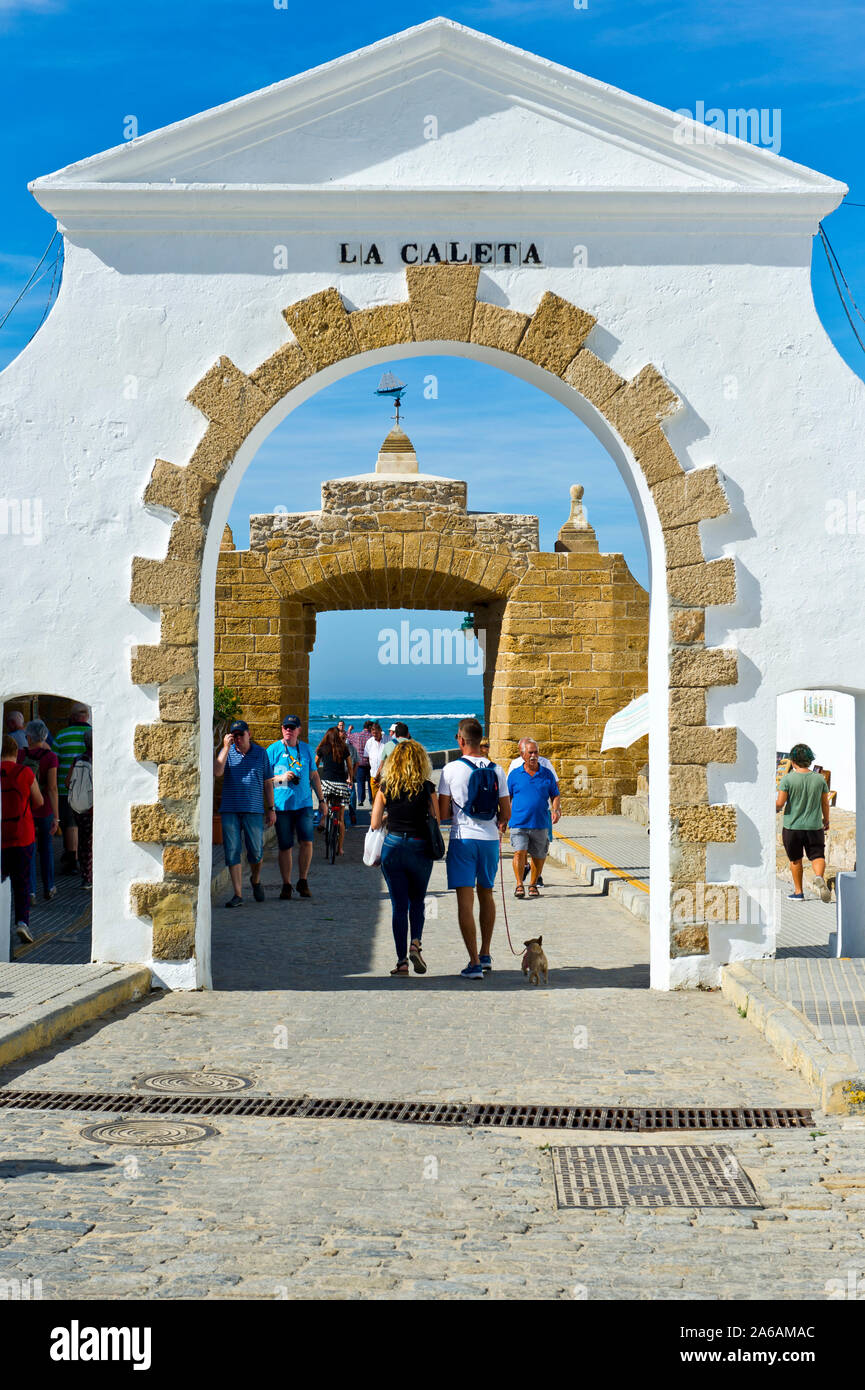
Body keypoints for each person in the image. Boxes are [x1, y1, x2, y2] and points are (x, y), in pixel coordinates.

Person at [438, 716, 510, 980]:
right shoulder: (497, 769)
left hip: (463, 838)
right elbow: (506, 812)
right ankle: (487, 952)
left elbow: (443, 813)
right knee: (487, 894)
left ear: (461, 740)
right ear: (480, 741)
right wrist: (498, 822)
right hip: (490, 841)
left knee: (465, 901)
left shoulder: (450, 770)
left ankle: (473, 962)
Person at [370, 739, 439, 977]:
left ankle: (401, 963)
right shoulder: (428, 787)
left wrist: (392, 817)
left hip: (394, 845)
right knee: (418, 901)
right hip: (420, 846)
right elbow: (436, 820)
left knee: (398, 906)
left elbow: (375, 823)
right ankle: (416, 943)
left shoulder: (386, 787)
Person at [214, 720, 275, 908]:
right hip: (230, 809)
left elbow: (268, 782)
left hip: (254, 809)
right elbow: (217, 771)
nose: (238, 738)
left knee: (256, 852)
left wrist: (271, 809)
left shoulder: (260, 753)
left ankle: (255, 880)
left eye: (241, 735)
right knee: (232, 851)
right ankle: (238, 894)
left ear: (249, 734)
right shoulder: (227, 753)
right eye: (235, 735)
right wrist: (225, 748)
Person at [266, 715, 323, 898]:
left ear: (299, 730)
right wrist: (282, 779)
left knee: (307, 842)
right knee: (285, 845)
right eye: (285, 727)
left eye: (292, 727)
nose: (288, 730)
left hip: (304, 804)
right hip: (282, 807)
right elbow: (265, 780)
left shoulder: (305, 749)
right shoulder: (273, 750)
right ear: (282, 729)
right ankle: (286, 884)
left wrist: (322, 801)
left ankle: (303, 880)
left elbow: (314, 776)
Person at [777, 742, 832, 902]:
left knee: (795, 859)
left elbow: (780, 803)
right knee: (817, 855)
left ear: (793, 760)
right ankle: (818, 877)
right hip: (814, 826)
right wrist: (826, 820)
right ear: (809, 760)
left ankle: (798, 892)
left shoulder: (787, 779)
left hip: (792, 826)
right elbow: (825, 803)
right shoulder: (819, 779)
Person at [1, 733, 43, 943]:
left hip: (1, 835)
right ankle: (22, 923)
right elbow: (39, 801)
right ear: (15, 752)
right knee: (22, 882)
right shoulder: (24, 772)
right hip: (22, 834)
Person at [507, 739, 561, 898]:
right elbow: (506, 796)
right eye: (530, 753)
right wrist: (504, 817)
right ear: (522, 754)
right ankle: (519, 885)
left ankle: (532, 885)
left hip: (540, 821)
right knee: (519, 852)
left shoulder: (546, 773)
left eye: (536, 752)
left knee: (539, 856)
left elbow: (555, 794)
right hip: (519, 822)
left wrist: (556, 810)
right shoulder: (515, 774)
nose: (533, 756)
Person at [18, 719, 59, 901]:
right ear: (44, 736)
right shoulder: (51, 758)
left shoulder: (20, 755)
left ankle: (31, 890)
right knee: (47, 848)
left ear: (28, 736)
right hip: (44, 808)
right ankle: (49, 886)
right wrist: (56, 817)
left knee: (29, 850)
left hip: (26, 807)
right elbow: (52, 788)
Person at [54, 704, 91, 875]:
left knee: (70, 824)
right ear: (87, 717)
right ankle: (89, 859)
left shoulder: (62, 735)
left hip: (66, 787)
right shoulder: (94, 734)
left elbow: (55, 760)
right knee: (89, 825)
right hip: (90, 789)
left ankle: (72, 860)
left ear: (73, 716)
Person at [316, 727, 352, 856]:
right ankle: (340, 848)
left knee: (323, 801)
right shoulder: (344, 749)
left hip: (326, 783)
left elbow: (315, 764)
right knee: (341, 818)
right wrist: (350, 779)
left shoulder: (323, 749)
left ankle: (323, 819)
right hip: (341, 785)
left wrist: (314, 778)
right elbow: (349, 765)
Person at [68, 727, 94, 889]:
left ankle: (86, 876)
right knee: (94, 842)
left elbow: (67, 782)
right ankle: (93, 876)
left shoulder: (78, 759)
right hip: (95, 807)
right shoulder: (99, 759)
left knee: (84, 842)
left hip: (80, 807)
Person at [347, 720, 373, 807]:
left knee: (360, 782)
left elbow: (348, 736)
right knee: (370, 782)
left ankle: (360, 800)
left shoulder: (356, 736)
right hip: (370, 763)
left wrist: (349, 729)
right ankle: (371, 800)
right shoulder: (372, 736)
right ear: (369, 727)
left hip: (360, 763)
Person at [365, 722, 385, 800]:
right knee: (375, 798)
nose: (375, 735)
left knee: (385, 798)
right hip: (373, 774)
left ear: (380, 731)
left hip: (385, 775)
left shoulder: (388, 740)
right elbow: (366, 756)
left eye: (376, 733)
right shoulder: (369, 742)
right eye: (373, 733)